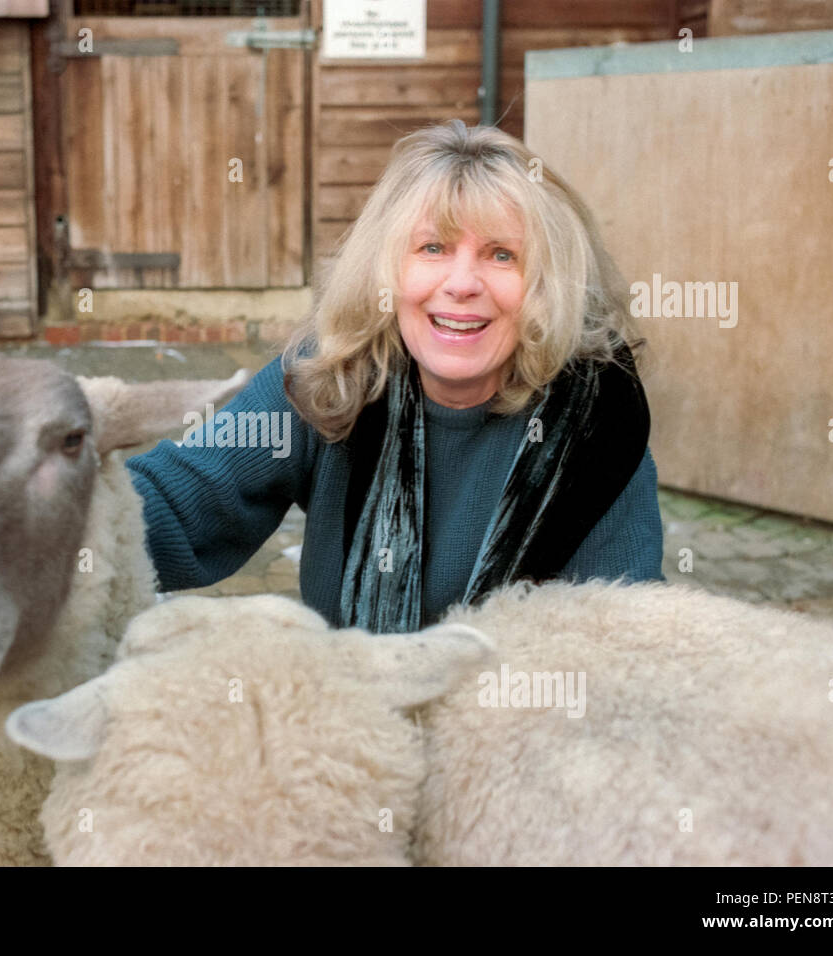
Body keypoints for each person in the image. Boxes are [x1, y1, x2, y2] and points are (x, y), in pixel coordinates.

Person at [126, 119, 664, 633]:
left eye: (503, 255)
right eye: (433, 247)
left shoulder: (598, 417)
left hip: (516, 715)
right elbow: (176, 503)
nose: (461, 283)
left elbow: (619, 628)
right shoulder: (335, 370)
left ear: (548, 285)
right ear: (385, 267)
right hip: (361, 702)